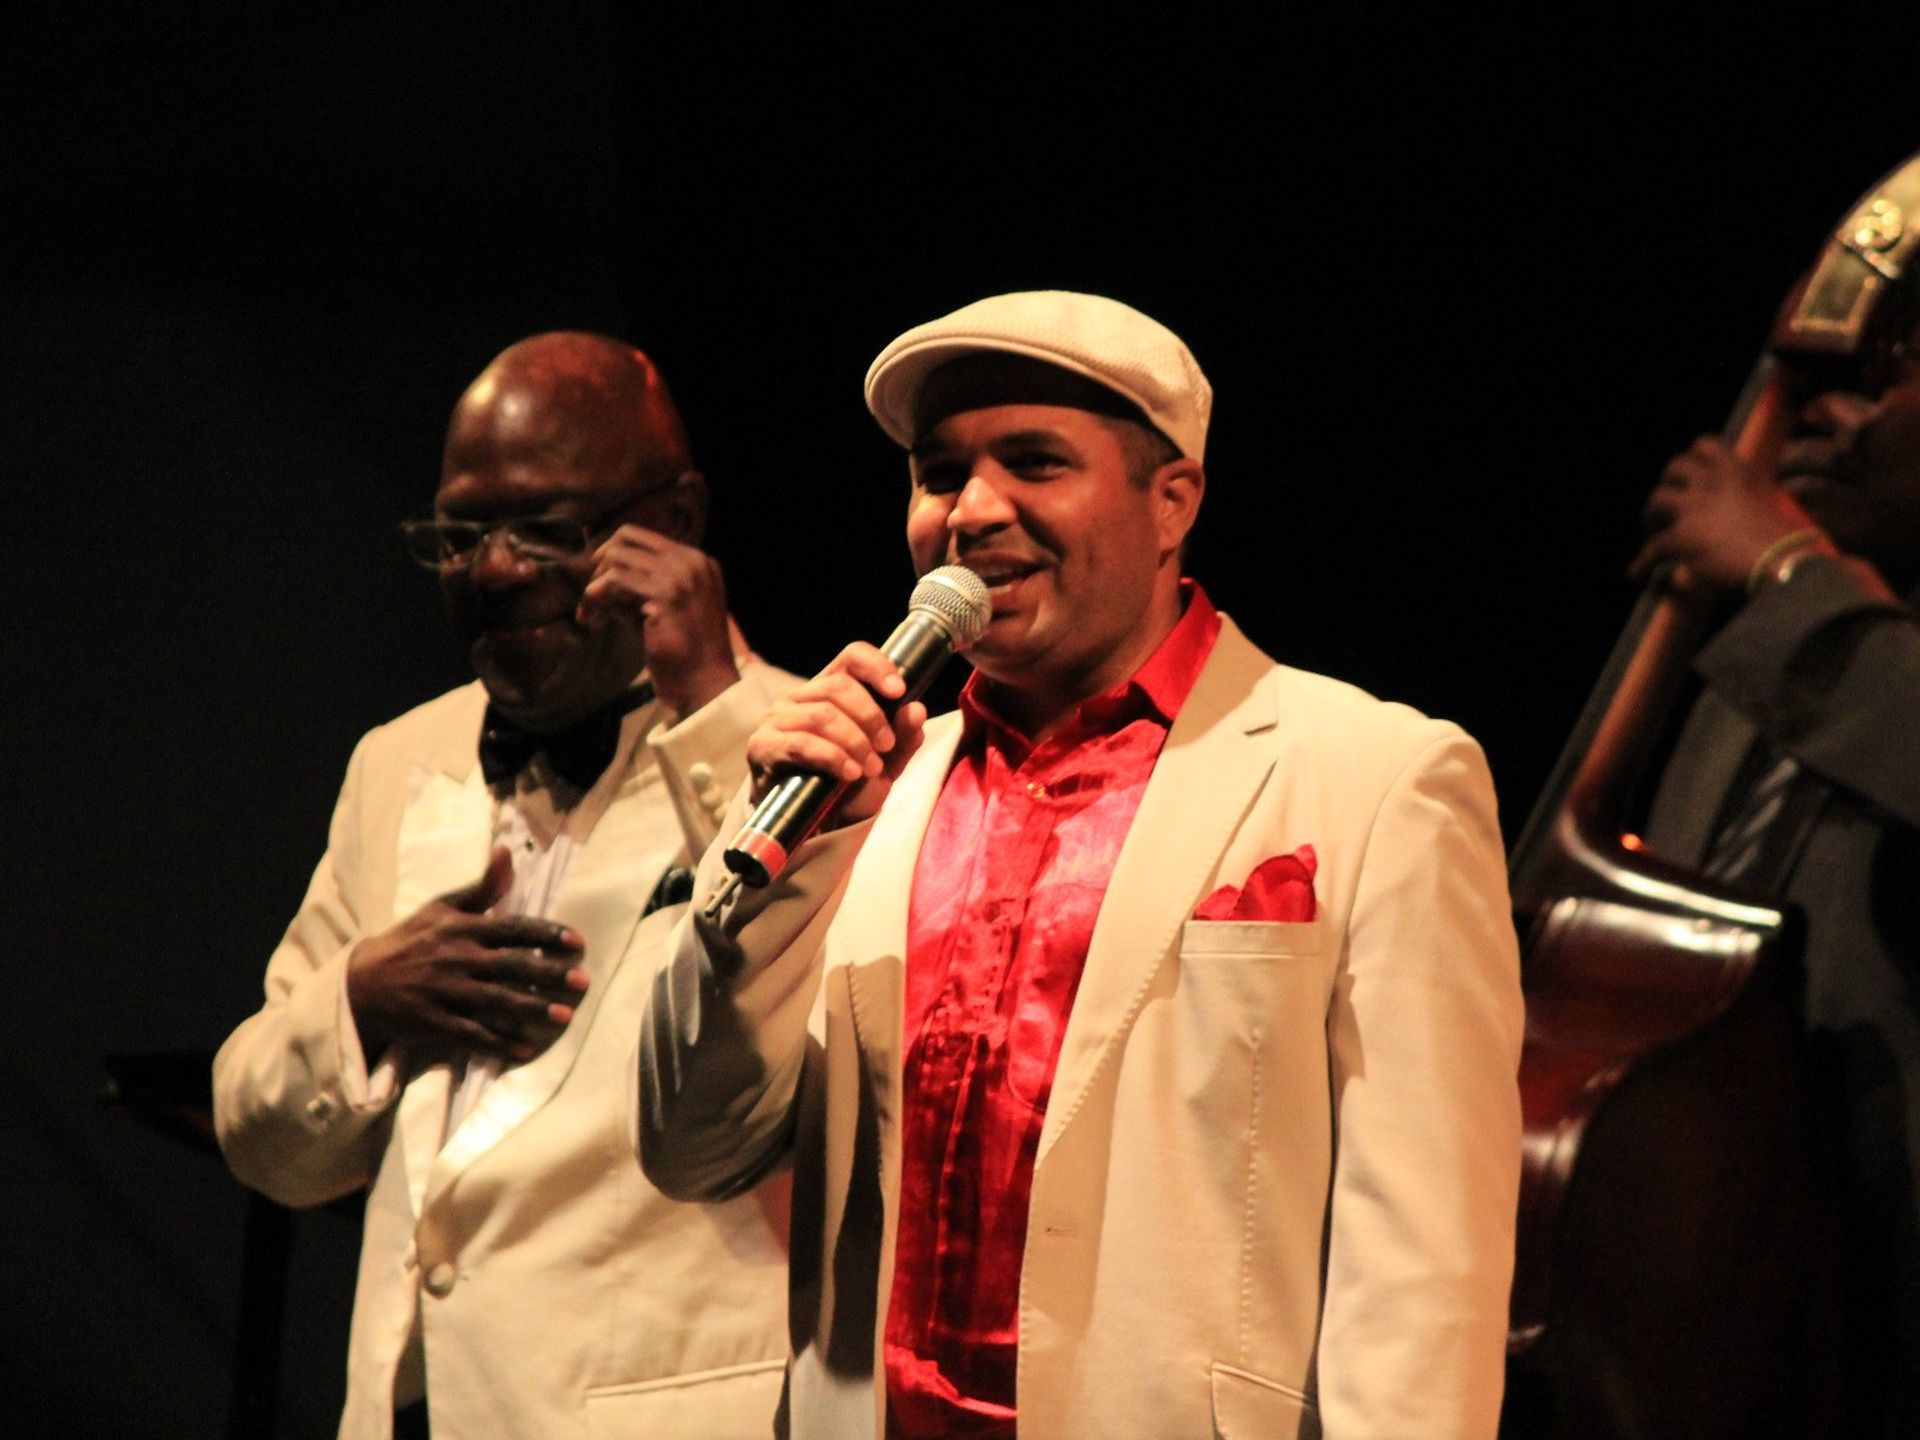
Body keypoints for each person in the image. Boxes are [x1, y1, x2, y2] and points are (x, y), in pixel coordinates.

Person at [637, 291, 1525, 1438]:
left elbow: (1424, 1260)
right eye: (940, 472)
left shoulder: (1376, 775)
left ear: (1173, 503)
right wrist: (802, 858)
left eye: (1035, 463)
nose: (973, 512)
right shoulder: (863, 784)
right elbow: (692, 1146)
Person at [214, 333, 796, 1440]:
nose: (493, 570)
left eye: (548, 530)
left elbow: (809, 1080)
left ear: (674, 523)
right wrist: (362, 1000)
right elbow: (264, 1139)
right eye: (463, 532)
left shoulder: (808, 742)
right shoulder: (401, 760)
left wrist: (715, 709)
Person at [1633, 324, 1920, 1437]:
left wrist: (1788, 573)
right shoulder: (1774, 661)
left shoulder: (1819, 629)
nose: (1826, 414)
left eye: (1891, 380)